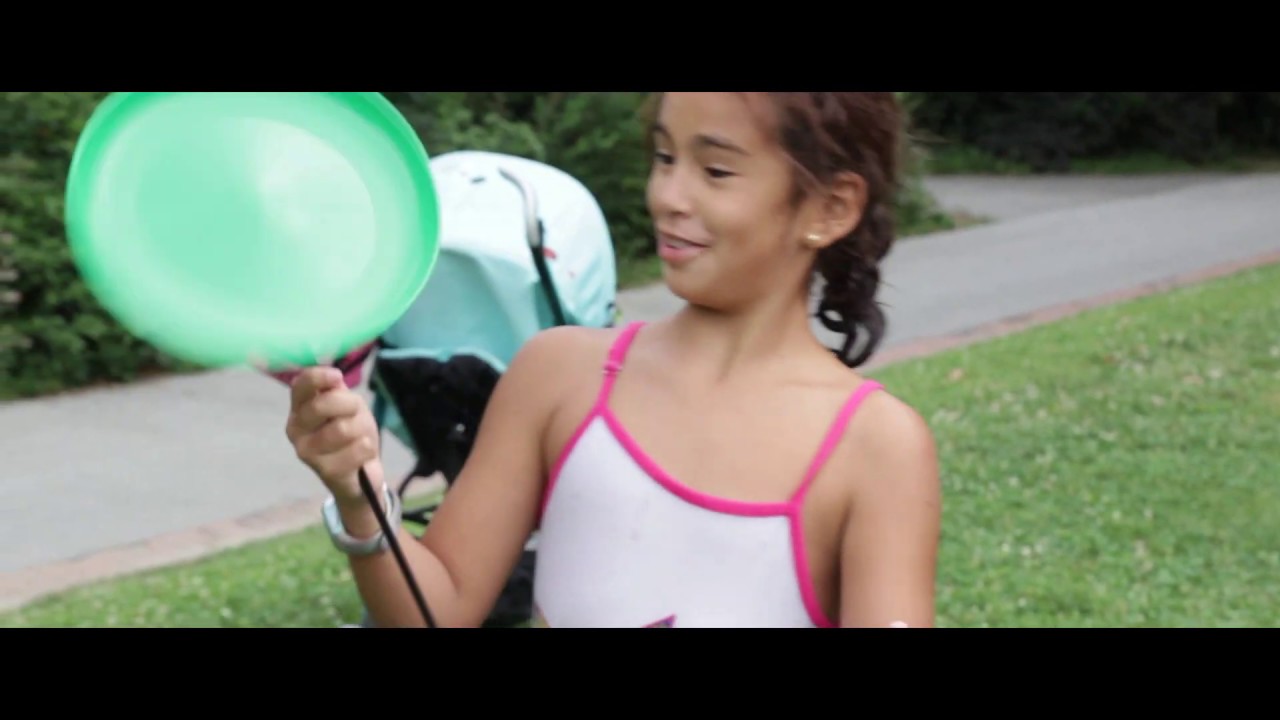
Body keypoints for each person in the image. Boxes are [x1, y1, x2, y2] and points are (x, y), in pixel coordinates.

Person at [285, 92, 942, 628]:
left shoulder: (876, 449)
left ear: (830, 207)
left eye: (715, 170)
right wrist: (361, 496)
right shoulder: (557, 375)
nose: (668, 196)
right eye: (663, 156)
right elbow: (440, 608)